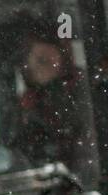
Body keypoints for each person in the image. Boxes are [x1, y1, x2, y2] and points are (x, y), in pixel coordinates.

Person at [12, 19, 91, 168]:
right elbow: (17, 150)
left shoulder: (84, 89)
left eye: (44, 60)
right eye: (38, 61)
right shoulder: (28, 102)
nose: (39, 68)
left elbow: (88, 143)